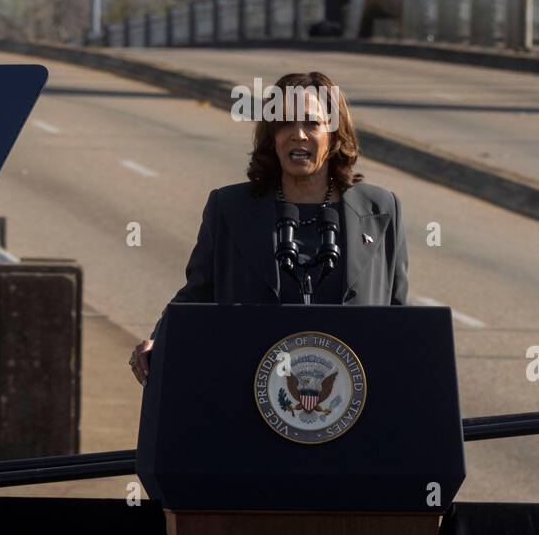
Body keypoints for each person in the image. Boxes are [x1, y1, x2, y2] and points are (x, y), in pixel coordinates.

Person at [129, 71, 409, 386]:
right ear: (271, 137)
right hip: (252, 399)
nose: (298, 134)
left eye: (311, 123)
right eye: (285, 123)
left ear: (334, 136)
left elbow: (399, 315)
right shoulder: (229, 207)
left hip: (354, 405)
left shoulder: (381, 209)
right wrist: (160, 339)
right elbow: (198, 295)